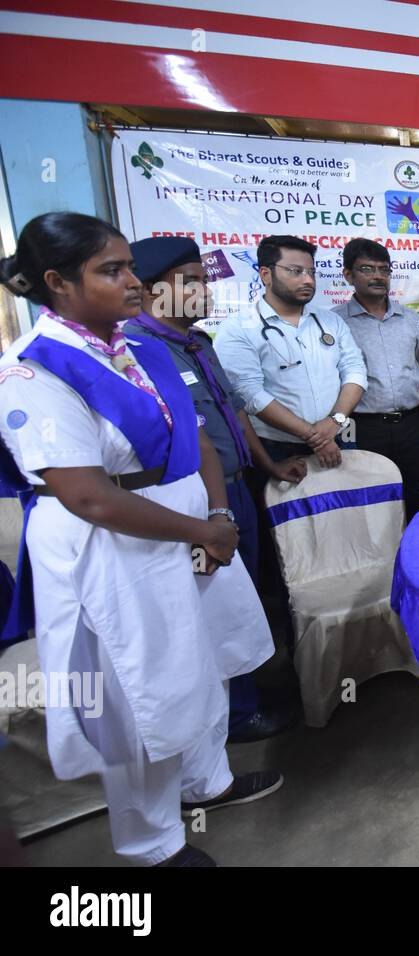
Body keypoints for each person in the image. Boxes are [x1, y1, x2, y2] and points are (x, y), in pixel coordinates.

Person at [0, 212, 280, 867]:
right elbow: (88, 495)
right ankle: (153, 841)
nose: (133, 282)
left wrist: (218, 512)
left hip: (190, 521)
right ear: (56, 283)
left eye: (129, 267)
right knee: (141, 690)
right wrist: (203, 530)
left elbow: (197, 438)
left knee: (202, 659)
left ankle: (206, 781)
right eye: (112, 270)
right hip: (115, 542)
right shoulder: (34, 370)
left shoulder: (145, 346)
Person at [124, 236, 303, 744]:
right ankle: (236, 715)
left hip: (237, 489)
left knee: (246, 596)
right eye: (193, 282)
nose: (205, 291)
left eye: (204, 280)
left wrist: (269, 464)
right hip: (196, 502)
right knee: (212, 605)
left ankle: (255, 691)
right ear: (156, 289)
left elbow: (234, 411)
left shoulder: (198, 343)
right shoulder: (139, 350)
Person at [214, 235, 367, 469]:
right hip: (276, 448)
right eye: (295, 271)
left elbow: (354, 370)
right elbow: (249, 394)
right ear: (266, 274)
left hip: (337, 436)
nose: (308, 280)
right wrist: (314, 436)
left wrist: (335, 420)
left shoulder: (330, 321)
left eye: (311, 272)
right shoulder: (238, 327)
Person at [335, 237, 419, 522]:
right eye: (367, 269)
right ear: (348, 275)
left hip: (411, 427)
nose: (378, 276)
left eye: (384, 269)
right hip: (363, 428)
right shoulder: (335, 323)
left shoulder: (411, 320)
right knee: (371, 507)